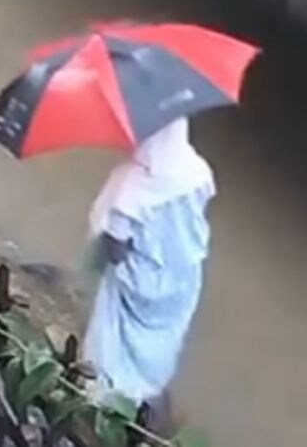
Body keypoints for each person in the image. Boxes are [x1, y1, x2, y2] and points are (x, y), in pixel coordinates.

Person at [83, 118, 215, 433]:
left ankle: (108, 416)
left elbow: (114, 249)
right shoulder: (197, 170)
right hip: (182, 278)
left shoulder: (131, 189)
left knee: (116, 353)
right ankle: (153, 414)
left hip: (137, 288)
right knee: (161, 345)